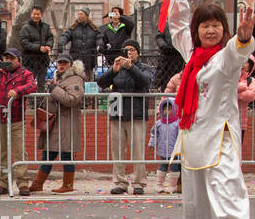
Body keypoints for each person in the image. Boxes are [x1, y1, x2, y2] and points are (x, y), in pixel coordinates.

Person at [165, 0, 255, 219]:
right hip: (191, 138)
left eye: (216, 24)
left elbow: (239, 52)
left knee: (230, 206)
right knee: (195, 206)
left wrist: (244, 39)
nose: (210, 29)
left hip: (222, 140)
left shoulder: (226, 57)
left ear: (224, 29)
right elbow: (177, 24)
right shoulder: (192, 55)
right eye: (204, 24)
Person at [96, 43, 154, 194]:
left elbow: (145, 82)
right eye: (126, 50)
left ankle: (139, 183)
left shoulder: (144, 68)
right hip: (118, 114)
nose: (129, 53)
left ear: (138, 53)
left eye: (132, 50)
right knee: (118, 150)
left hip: (137, 114)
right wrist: (113, 71)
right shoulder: (117, 68)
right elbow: (101, 82)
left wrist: (131, 67)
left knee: (137, 150)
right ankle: (120, 182)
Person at [0, 47, 36, 195]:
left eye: (12, 58)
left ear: (18, 60)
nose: (8, 61)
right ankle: (3, 183)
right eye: (6, 58)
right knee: (2, 152)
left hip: (16, 119)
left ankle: (22, 183)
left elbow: (32, 85)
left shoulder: (25, 74)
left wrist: (18, 91)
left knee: (19, 151)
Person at [30, 53, 83, 193]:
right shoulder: (59, 78)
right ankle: (38, 183)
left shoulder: (75, 79)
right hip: (56, 122)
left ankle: (68, 185)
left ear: (71, 65)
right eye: (59, 62)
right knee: (49, 153)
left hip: (67, 122)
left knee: (66, 154)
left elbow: (73, 100)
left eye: (64, 63)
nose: (61, 65)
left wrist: (54, 90)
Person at [149, 94, 180, 193]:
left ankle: (173, 185)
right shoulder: (159, 123)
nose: (167, 111)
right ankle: (159, 185)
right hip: (163, 150)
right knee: (162, 167)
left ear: (174, 109)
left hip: (174, 151)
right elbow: (154, 134)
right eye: (165, 109)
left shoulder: (177, 123)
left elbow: (181, 136)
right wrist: (152, 143)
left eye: (170, 109)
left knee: (174, 169)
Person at [18, 6, 54, 84]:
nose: (36, 16)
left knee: (42, 83)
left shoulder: (46, 27)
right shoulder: (25, 28)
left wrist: (48, 45)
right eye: (34, 14)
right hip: (29, 60)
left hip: (43, 60)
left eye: (38, 14)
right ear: (31, 14)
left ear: (41, 15)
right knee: (29, 82)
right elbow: (24, 42)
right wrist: (38, 48)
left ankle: (41, 96)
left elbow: (50, 38)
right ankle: (29, 97)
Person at [60, 9, 100, 77]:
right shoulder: (73, 28)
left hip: (89, 60)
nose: (79, 16)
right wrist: (61, 43)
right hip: (76, 59)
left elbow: (99, 38)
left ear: (87, 16)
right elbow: (66, 35)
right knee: (75, 79)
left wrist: (100, 45)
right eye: (78, 14)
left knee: (88, 80)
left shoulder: (94, 29)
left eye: (81, 14)